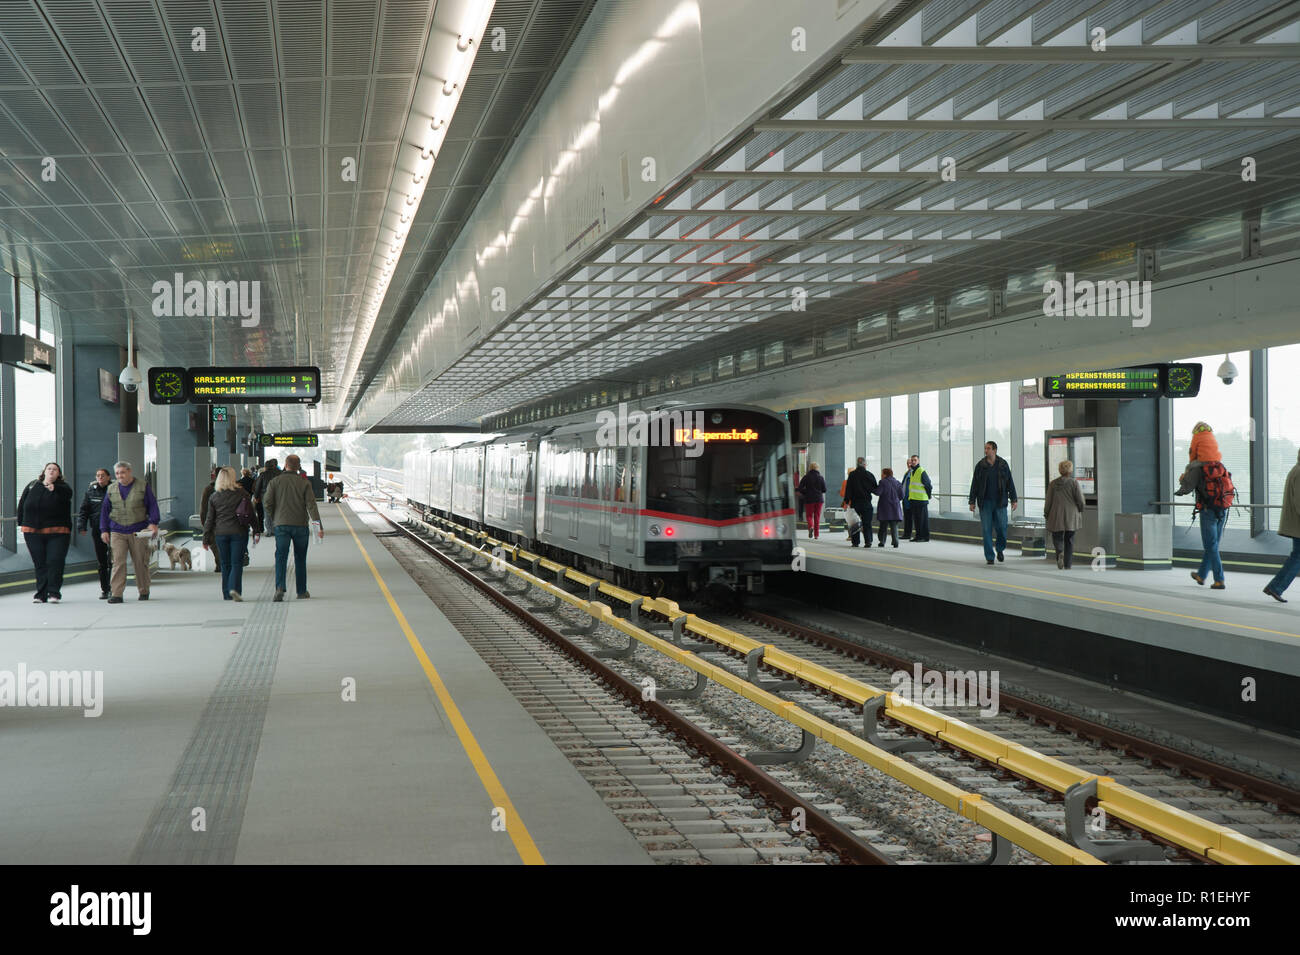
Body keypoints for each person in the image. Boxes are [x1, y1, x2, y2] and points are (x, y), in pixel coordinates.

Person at [1176, 422, 1231, 590]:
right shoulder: (1219, 466)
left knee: (1210, 545)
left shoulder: (1197, 468)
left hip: (1208, 509)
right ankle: (1201, 574)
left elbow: (1188, 487)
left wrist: (1181, 485)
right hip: (1223, 508)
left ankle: (1219, 579)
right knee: (1213, 544)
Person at [263, 454, 324, 601]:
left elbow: (267, 503)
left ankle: (279, 588)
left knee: (281, 557)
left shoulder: (275, 482)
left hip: (281, 525)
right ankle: (301, 591)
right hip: (300, 526)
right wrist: (318, 527)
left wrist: (275, 517)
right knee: (300, 558)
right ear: (298, 467)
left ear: (285, 465)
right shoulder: (304, 483)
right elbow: (311, 506)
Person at [100, 460, 160, 603]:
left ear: (129, 472)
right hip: (117, 530)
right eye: (117, 473)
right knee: (118, 562)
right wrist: (104, 530)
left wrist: (153, 522)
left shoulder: (143, 486)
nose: (120, 476)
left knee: (140, 561)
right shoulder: (111, 489)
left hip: (138, 530)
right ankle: (116, 593)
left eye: (123, 472)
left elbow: (152, 505)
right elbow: (105, 511)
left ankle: (144, 590)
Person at [203, 466, 262, 601]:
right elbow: (251, 514)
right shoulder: (242, 493)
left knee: (225, 564)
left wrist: (206, 538)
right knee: (237, 563)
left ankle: (226, 594)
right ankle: (235, 589)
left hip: (221, 534)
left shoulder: (214, 496)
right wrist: (256, 530)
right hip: (239, 532)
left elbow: (209, 519)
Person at [18, 462, 74, 603]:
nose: (51, 471)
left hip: (58, 532)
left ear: (58, 474)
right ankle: (41, 594)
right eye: (49, 469)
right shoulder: (33, 485)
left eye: (55, 469)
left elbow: (67, 495)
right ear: (44, 471)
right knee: (40, 563)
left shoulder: (63, 488)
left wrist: (54, 488)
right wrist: (21, 523)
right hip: (32, 531)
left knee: (55, 561)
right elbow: (22, 505)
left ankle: (54, 592)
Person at [969, 441, 1018, 565]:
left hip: (1000, 502)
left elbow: (1009, 482)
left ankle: (1000, 549)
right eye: (985, 448)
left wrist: (1014, 499)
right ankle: (989, 556)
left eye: (988, 448)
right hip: (985, 503)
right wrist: (971, 501)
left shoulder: (1003, 464)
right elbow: (974, 484)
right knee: (986, 530)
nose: (986, 450)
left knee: (1002, 528)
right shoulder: (980, 465)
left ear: (995, 450)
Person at [1264, 449, 1300, 603]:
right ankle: (1276, 587)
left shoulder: (1296, 469)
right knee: (1297, 557)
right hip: (1297, 524)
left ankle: (1275, 587)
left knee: (1297, 556)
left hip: (1295, 524)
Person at [77, 467, 113, 598]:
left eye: (103, 475)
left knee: (113, 560)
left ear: (109, 477)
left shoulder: (115, 489)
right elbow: (84, 510)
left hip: (114, 529)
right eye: (98, 475)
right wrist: (82, 525)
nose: (100, 478)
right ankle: (105, 589)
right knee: (102, 560)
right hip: (97, 529)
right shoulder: (91, 491)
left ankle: (114, 588)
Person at [1045, 459, 1086, 570]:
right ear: (1070, 471)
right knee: (1069, 539)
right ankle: (1067, 564)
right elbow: (1080, 500)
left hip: (1056, 514)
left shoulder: (1053, 484)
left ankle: (1059, 552)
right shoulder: (1074, 483)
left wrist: (1046, 513)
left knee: (1057, 537)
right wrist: (1080, 509)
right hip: (1071, 515)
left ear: (1060, 470)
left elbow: (1048, 501)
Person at [844, 457, 879, 547]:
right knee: (867, 523)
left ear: (857, 464)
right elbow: (875, 489)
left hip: (855, 502)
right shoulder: (869, 475)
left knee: (855, 522)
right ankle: (868, 541)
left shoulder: (852, 475)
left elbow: (848, 489)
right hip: (866, 502)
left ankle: (855, 542)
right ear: (865, 464)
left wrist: (846, 501)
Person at [902, 454, 933, 542]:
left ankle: (924, 537)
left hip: (921, 500)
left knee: (923, 520)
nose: (913, 462)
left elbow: (928, 485)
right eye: (912, 460)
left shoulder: (921, 471)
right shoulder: (912, 472)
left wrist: (928, 495)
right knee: (917, 520)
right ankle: (918, 536)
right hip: (914, 500)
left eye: (915, 460)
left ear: (918, 461)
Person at [874, 467, 904, 548]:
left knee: (883, 526)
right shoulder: (897, 482)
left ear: (885, 474)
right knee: (894, 526)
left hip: (885, 507)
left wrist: (872, 489)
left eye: (882, 473)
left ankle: (882, 542)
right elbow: (902, 495)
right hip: (895, 507)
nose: (881, 475)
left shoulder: (883, 482)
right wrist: (896, 500)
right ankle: (895, 542)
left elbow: (878, 492)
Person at [199, 467, 221, 574]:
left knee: (214, 544)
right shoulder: (233, 489)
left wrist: (204, 523)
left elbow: (203, 508)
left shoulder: (208, 489)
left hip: (212, 522)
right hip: (227, 522)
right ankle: (223, 563)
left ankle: (219, 563)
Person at [796, 463, 826, 539]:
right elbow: (824, 489)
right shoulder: (821, 477)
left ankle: (810, 527)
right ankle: (816, 535)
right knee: (817, 516)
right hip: (819, 499)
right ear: (817, 468)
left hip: (809, 499)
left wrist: (805, 492)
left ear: (810, 468)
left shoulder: (806, 477)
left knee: (809, 516)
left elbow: (800, 488)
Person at [252, 458, 281, 536]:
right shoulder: (280, 473)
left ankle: (269, 531)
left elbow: (258, 486)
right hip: (278, 495)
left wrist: (256, 496)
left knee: (267, 513)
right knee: (277, 512)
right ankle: (276, 529)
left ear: (265, 467)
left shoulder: (263, 474)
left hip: (265, 495)